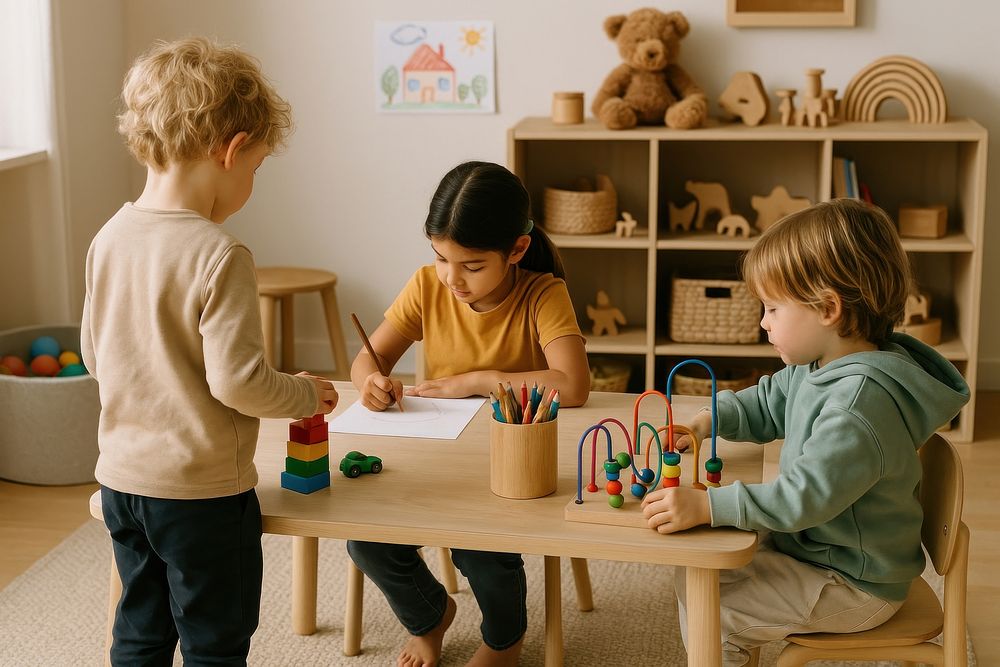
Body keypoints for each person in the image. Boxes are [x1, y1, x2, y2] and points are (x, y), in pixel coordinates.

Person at [81, 37, 338, 665]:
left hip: (121, 481)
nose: (251, 182)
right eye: (256, 167)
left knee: (139, 629)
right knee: (214, 640)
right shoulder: (220, 254)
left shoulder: (109, 237)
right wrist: (304, 392)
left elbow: (93, 354)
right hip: (200, 495)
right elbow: (238, 382)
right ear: (230, 150)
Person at [641, 199, 969, 665]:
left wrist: (710, 505)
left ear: (828, 308)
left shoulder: (858, 407)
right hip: (819, 549)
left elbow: (801, 499)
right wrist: (707, 420)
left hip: (854, 582)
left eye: (773, 308)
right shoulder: (819, 365)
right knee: (700, 569)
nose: (763, 321)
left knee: (714, 611)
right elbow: (768, 401)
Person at [348, 161, 591, 666]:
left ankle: (504, 642)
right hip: (437, 458)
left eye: (473, 266)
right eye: (440, 258)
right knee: (365, 539)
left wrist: (481, 380)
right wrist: (370, 382)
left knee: (481, 549)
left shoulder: (543, 293)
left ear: (516, 250)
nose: (452, 278)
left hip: (511, 466)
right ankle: (429, 617)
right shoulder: (426, 286)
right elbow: (368, 360)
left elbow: (573, 385)